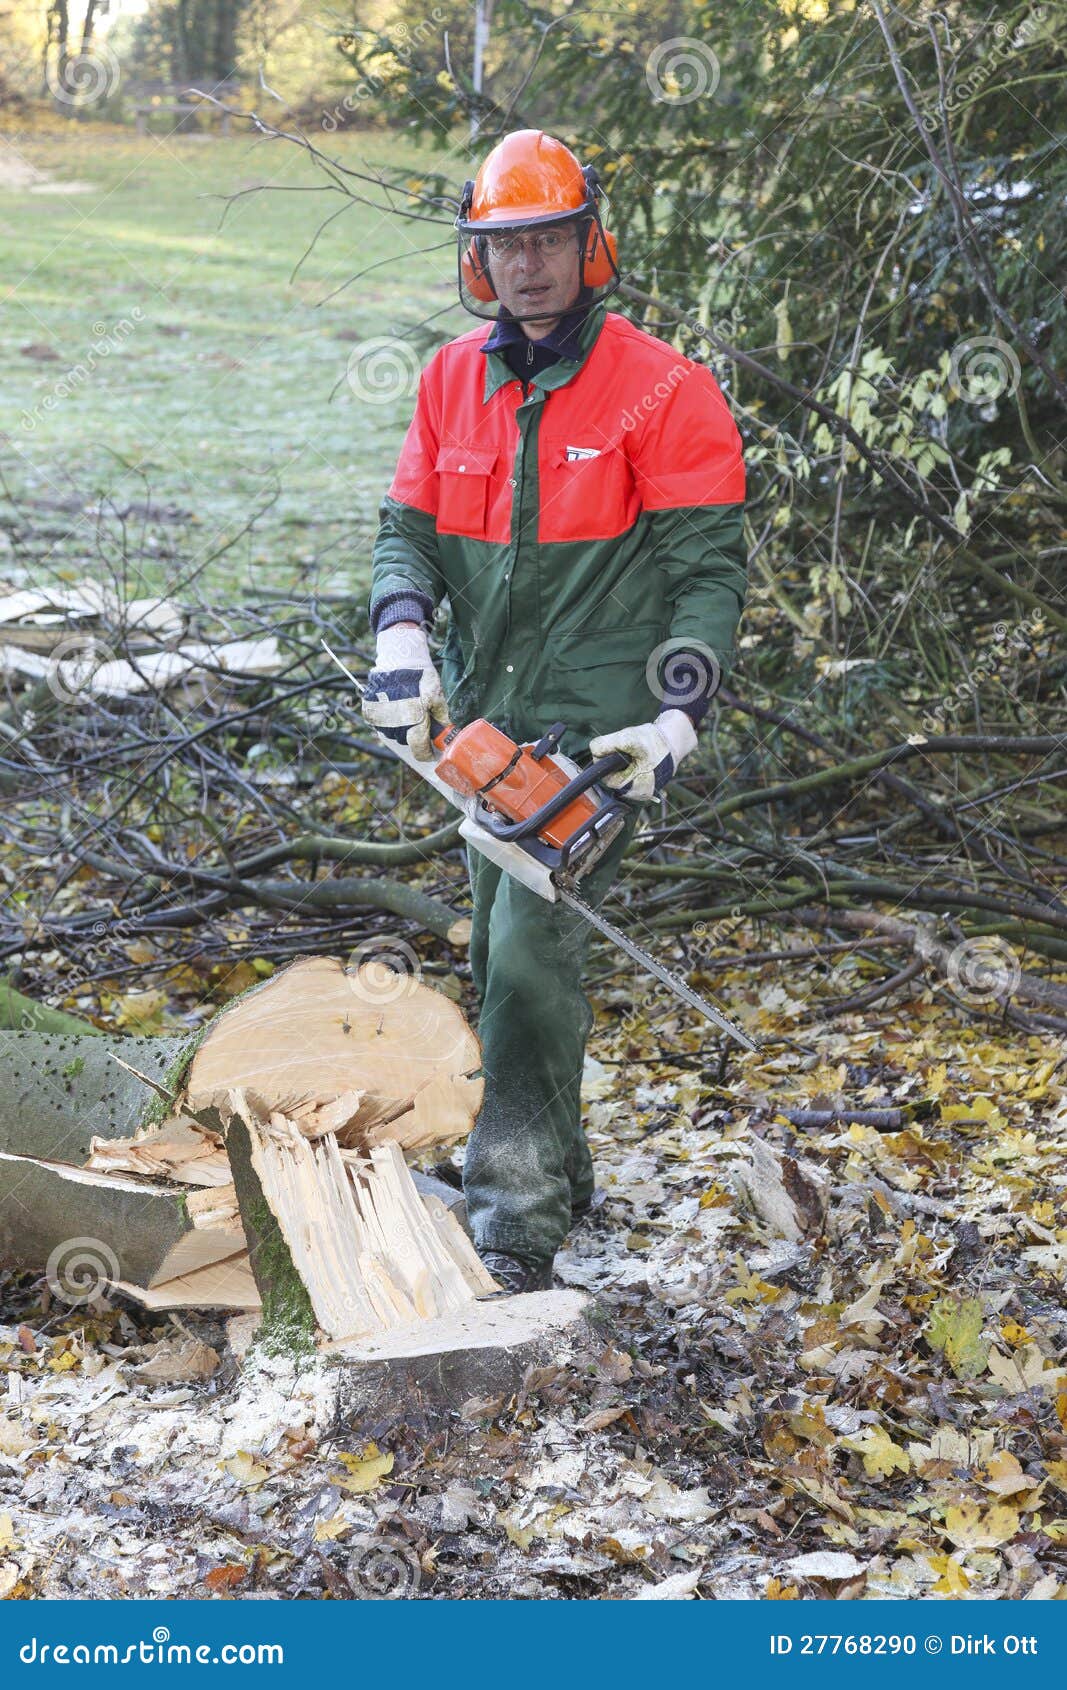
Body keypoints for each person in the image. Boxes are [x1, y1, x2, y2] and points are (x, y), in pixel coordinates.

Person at [362, 129, 747, 1293]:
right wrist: (400, 635)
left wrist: (675, 717)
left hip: (600, 733)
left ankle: (513, 1226)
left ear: (590, 247)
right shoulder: (448, 381)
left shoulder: (664, 389)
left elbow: (706, 575)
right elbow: (407, 531)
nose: (525, 266)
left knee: (527, 955)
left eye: (546, 241)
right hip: (482, 719)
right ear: (476, 259)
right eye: (504, 245)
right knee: (497, 949)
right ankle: (560, 1171)